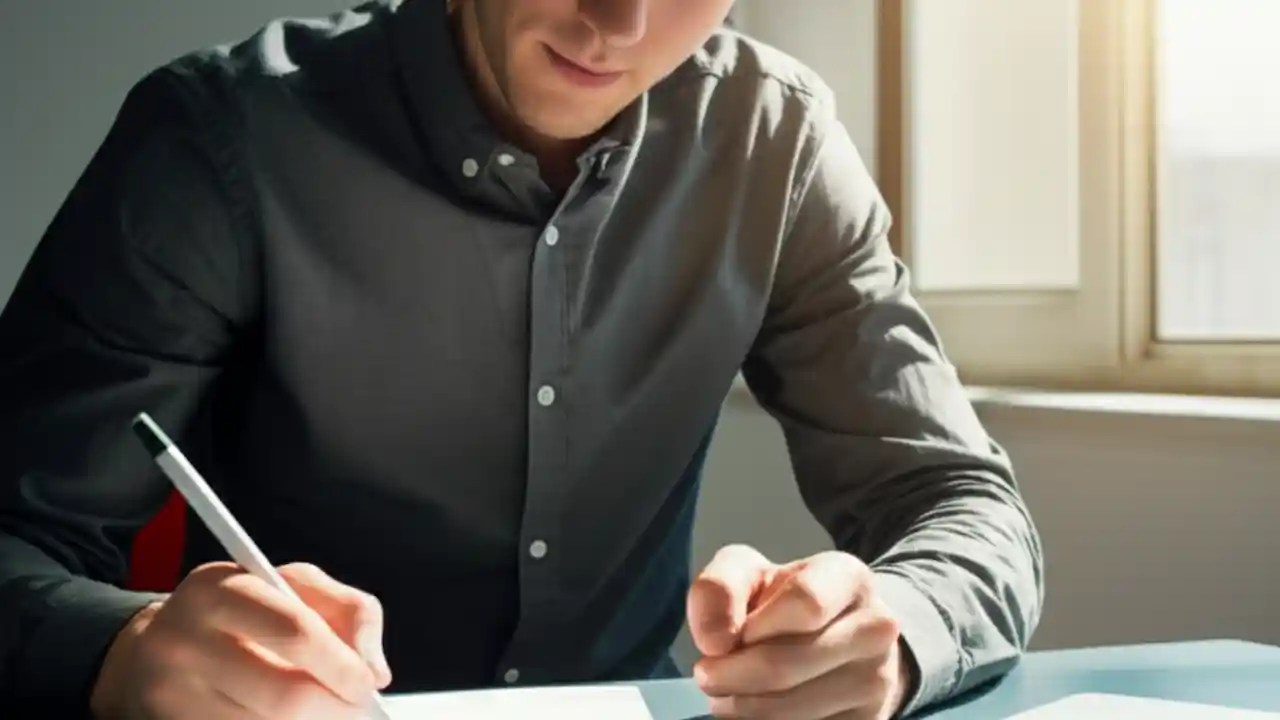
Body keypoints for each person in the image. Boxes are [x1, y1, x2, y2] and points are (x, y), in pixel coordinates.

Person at [0, 0, 1044, 718]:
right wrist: (124, 653)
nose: (619, 24)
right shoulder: (218, 139)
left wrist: (891, 629)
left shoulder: (775, 141)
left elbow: (959, 501)